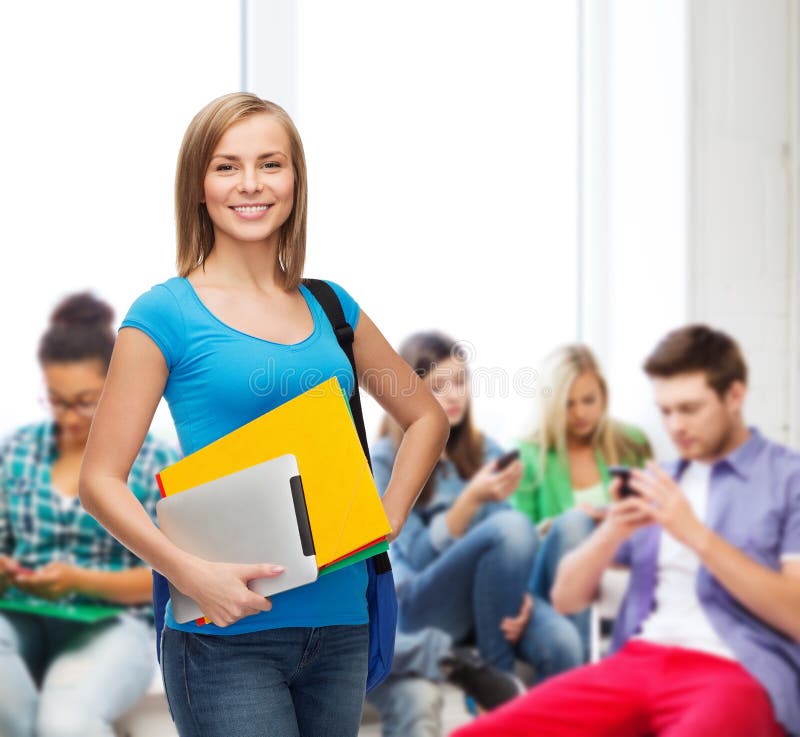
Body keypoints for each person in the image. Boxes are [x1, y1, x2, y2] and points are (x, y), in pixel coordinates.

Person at [78, 93, 449, 737]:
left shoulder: (333, 307)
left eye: (270, 164)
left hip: (341, 623)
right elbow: (99, 481)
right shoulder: (165, 314)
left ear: (295, 181)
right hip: (226, 632)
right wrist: (191, 574)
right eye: (227, 166)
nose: (250, 184)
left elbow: (426, 417)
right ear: (198, 186)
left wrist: (386, 517)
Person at [451, 325, 800, 737]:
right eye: (665, 411)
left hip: (737, 670)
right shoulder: (658, 479)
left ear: (735, 396)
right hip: (636, 663)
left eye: (689, 409)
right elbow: (565, 598)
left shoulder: (786, 479)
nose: (675, 426)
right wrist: (612, 529)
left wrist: (693, 532)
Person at [368, 331, 583, 736]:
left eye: (460, 381)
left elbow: (511, 549)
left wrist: (520, 595)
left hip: (489, 603)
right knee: (510, 526)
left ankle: (530, 713)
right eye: (438, 386)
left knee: (563, 641)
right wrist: (469, 501)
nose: (454, 395)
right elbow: (410, 562)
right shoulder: (384, 460)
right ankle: (497, 693)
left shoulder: (486, 452)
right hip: (421, 608)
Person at [0, 293, 179, 737]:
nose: (70, 417)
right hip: (20, 615)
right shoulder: (17, 451)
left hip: (113, 625)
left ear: (113, 387)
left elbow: (173, 574)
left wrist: (79, 581)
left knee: (64, 722)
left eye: (84, 401)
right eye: (57, 400)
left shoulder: (156, 462)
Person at [511, 343, 651, 657]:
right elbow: (519, 542)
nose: (580, 413)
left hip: (616, 566)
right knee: (575, 524)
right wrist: (559, 525)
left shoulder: (630, 444)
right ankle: (587, 664)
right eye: (568, 404)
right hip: (553, 579)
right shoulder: (528, 454)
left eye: (589, 400)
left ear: (603, 396)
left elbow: (653, 517)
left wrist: (613, 520)